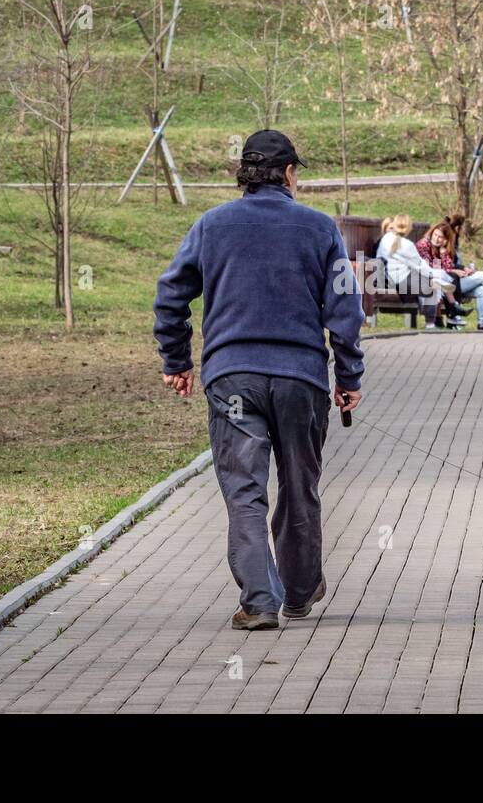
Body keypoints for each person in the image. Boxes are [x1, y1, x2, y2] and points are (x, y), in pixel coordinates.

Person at [154, 130, 364, 631]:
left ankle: (259, 603)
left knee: (244, 491)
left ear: (244, 176)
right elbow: (345, 308)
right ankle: (298, 592)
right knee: (300, 485)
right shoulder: (319, 229)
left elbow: (170, 295)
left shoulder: (212, 225)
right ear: (290, 173)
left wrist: (177, 360)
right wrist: (348, 373)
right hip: (301, 379)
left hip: (232, 379)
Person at [417, 220, 483, 333]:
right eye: (435, 235)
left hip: (450, 283)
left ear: (446, 239)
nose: (437, 238)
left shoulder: (438, 248)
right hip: (440, 285)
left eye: (440, 237)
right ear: (432, 232)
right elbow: (432, 270)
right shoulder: (425, 245)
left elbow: (442, 267)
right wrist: (455, 270)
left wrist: (463, 269)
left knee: (482, 290)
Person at [375, 214, 455, 329]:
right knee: (432, 285)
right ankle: (431, 324)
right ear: (409, 228)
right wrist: (441, 274)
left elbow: (380, 257)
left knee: (429, 281)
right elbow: (421, 267)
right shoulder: (407, 245)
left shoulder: (386, 238)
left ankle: (443, 301)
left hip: (387, 278)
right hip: (401, 281)